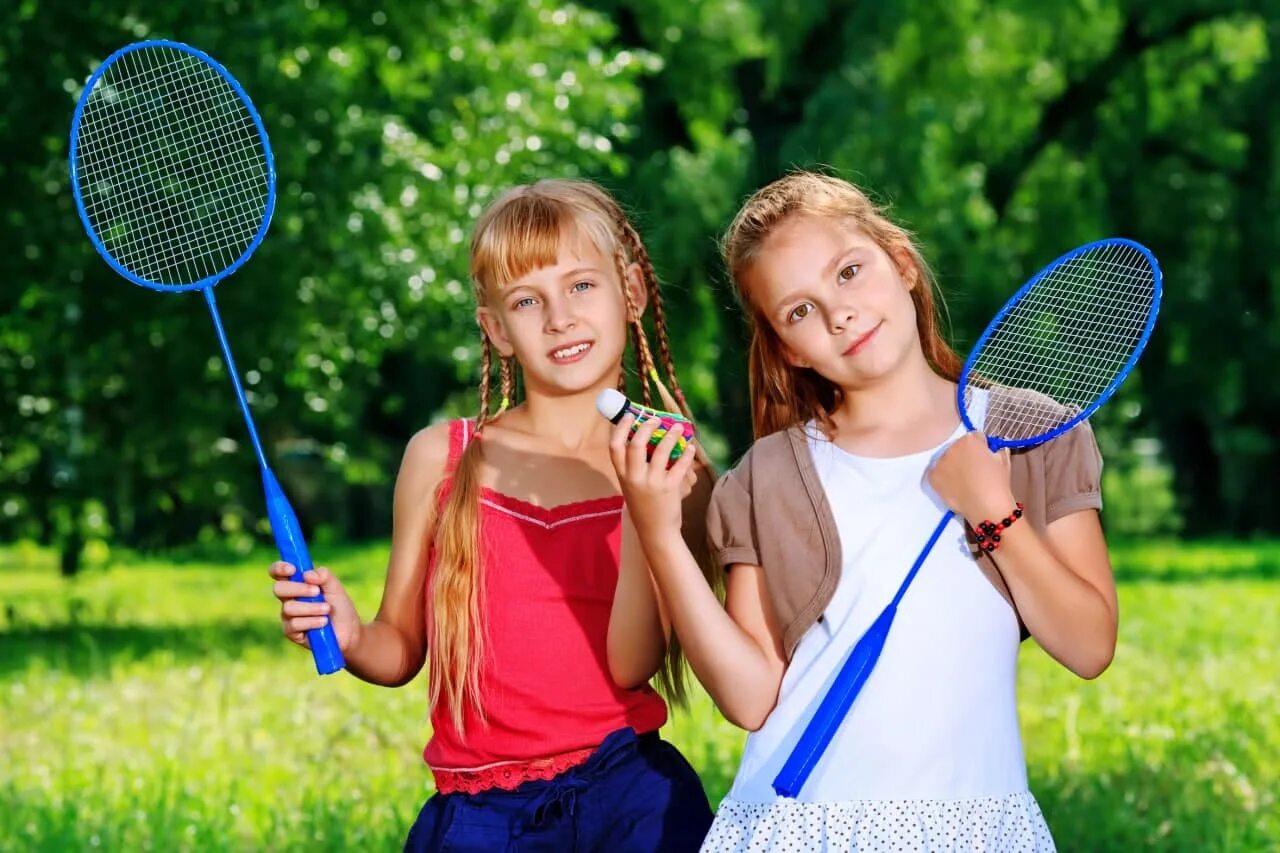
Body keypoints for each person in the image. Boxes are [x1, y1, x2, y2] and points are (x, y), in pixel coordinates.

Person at [610, 171, 1116, 851]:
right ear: (789, 347)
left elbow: (1089, 645)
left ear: (902, 262)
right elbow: (751, 696)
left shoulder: (1034, 432)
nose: (838, 313)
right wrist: (658, 533)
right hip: (797, 825)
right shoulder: (771, 473)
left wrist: (994, 511)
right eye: (800, 310)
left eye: (850, 272)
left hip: (975, 823)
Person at [270, 179, 715, 851]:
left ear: (631, 291)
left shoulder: (668, 464)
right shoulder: (441, 458)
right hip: (481, 811)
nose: (560, 317)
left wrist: (641, 506)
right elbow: (399, 648)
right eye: (527, 300)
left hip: (627, 790)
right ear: (497, 329)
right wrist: (351, 633)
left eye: (581, 286)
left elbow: (631, 663)